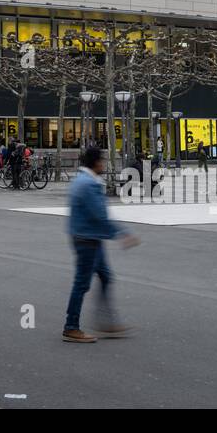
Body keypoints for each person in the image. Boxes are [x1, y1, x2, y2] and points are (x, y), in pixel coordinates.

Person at [62, 147, 139, 343]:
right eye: (102, 161)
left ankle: (106, 322)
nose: (104, 165)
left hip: (86, 236)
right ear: (96, 163)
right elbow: (100, 215)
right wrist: (122, 234)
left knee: (105, 277)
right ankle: (71, 327)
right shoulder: (89, 184)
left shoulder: (81, 180)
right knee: (81, 284)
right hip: (87, 239)